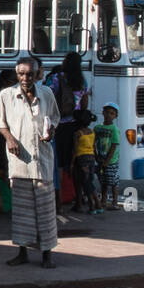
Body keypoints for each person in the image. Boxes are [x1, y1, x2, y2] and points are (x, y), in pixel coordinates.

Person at [0, 55, 61, 268]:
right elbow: (0, 123)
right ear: (17, 74)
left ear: (38, 74)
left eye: (30, 74)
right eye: (21, 74)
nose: (25, 78)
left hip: (42, 161)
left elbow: (55, 119)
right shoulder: (6, 95)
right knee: (22, 212)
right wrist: (10, 138)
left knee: (45, 212)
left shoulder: (47, 94)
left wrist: (50, 133)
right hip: (19, 162)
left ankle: (46, 255)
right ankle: (22, 252)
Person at [45, 51, 90, 206]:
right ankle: (78, 200)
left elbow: (46, 96)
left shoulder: (56, 78)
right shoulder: (83, 82)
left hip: (59, 125)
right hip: (74, 125)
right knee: (74, 164)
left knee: (58, 164)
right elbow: (84, 104)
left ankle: (58, 202)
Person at [70, 108, 102, 214]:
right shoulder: (92, 132)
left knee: (85, 182)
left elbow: (75, 150)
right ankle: (96, 204)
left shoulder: (78, 134)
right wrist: (97, 159)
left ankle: (94, 205)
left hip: (81, 159)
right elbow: (94, 147)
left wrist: (72, 163)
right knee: (89, 181)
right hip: (91, 158)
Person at [94, 102, 121, 209]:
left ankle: (115, 202)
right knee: (103, 181)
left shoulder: (114, 129)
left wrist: (107, 161)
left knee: (113, 181)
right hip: (100, 159)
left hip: (111, 161)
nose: (109, 115)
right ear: (103, 113)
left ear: (115, 116)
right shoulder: (97, 128)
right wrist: (96, 157)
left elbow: (114, 145)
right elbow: (93, 143)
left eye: (112, 113)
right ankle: (103, 200)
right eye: (107, 112)